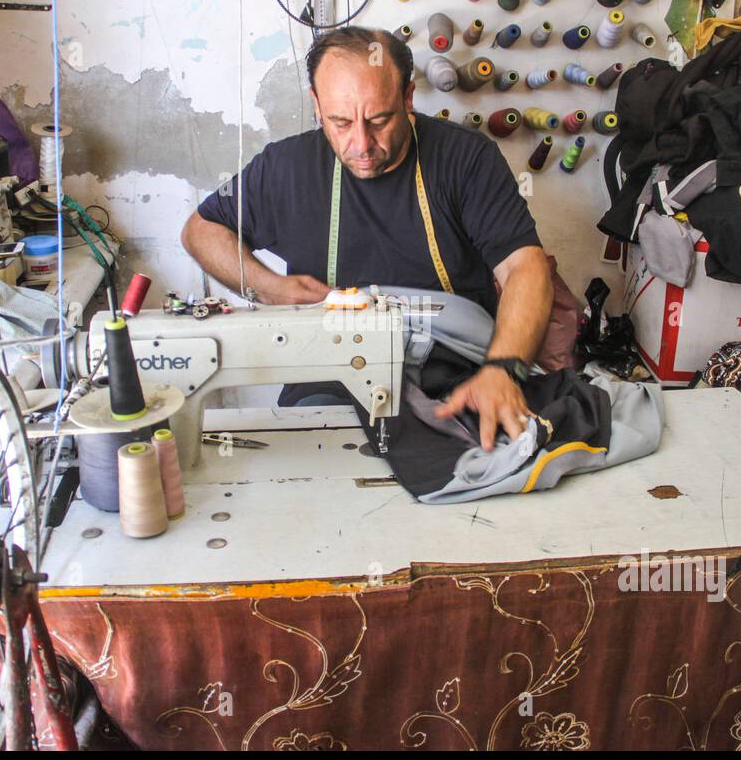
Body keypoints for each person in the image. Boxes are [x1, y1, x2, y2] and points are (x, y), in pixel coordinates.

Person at [181, 26, 553, 451]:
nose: (361, 143)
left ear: (408, 98)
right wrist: (269, 288)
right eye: (340, 122)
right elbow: (201, 229)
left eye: (379, 120)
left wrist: (504, 370)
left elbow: (525, 266)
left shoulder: (466, 159)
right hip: (333, 373)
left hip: (459, 372)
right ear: (316, 104)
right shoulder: (286, 168)